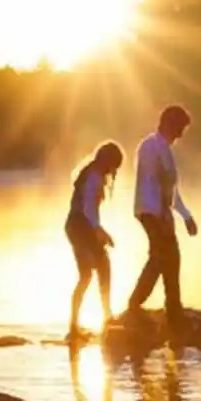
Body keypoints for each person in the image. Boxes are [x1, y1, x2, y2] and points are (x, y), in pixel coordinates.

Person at [128, 105, 198, 333]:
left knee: (168, 258)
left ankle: (172, 310)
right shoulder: (152, 146)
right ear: (170, 124)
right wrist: (161, 216)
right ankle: (137, 304)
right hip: (151, 211)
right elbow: (155, 183)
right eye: (180, 128)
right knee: (161, 257)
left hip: (158, 212)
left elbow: (171, 191)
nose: (181, 134)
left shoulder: (162, 148)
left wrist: (186, 216)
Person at [65, 141, 123, 337]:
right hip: (81, 228)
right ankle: (100, 318)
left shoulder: (91, 173)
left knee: (93, 272)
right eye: (114, 166)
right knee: (94, 271)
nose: (113, 171)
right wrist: (100, 231)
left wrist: (98, 231)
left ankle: (79, 323)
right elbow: (89, 209)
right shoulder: (93, 177)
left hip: (78, 227)